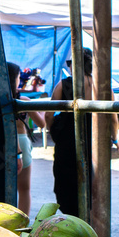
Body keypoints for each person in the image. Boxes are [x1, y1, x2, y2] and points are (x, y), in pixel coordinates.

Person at [45, 48, 93, 216]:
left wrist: (54, 133)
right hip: (92, 141)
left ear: (73, 66)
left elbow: (48, 114)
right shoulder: (100, 87)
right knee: (90, 182)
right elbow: (113, 119)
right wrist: (113, 139)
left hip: (66, 141)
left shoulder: (63, 85)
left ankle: (71, 220)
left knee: (65, 185)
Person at [9, 62, 45, 216]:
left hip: (4, 141)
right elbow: (41, 123)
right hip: (22, 143)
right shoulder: (23, 100)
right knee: (24, 189)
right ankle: (22, 227)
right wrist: (44, 111)